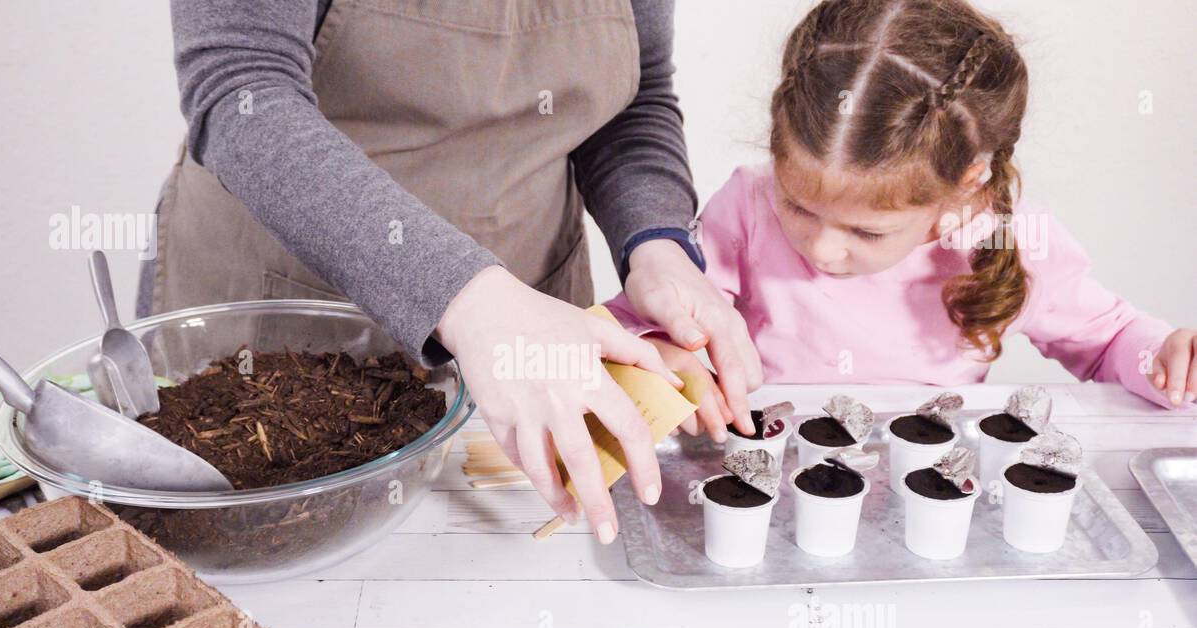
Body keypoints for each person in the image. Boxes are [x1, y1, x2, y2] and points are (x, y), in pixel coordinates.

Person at [142, 0, 762, 544]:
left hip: (532, 333)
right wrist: (470, 301)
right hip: (283, 323)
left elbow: (636, 96)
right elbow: (242, 93)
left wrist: (655, 243)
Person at [607, 0, 1195, 439]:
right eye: (798, 205)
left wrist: (1161, 358)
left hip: (932, 494)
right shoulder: (746, 206)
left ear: (966, 185)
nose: (823, 250)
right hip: (766, 477)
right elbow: (640, 320)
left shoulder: (1010, 241)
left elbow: (1109, 340)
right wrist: (662, 348)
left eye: (866, 231)